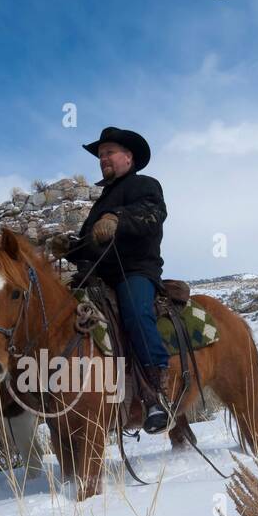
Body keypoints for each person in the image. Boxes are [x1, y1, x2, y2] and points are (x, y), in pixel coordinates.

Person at [62, 127, 172, 433]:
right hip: (98, 276)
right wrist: (69, 248)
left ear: (128, 156)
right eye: (100, 155)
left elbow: (153, 215)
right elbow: (89, 242)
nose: (103, 159)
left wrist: (118, 219)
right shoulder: (101, 201)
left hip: (135, 270)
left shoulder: (145, 185)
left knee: (136, 313)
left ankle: (155, 394)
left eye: (109, 152)